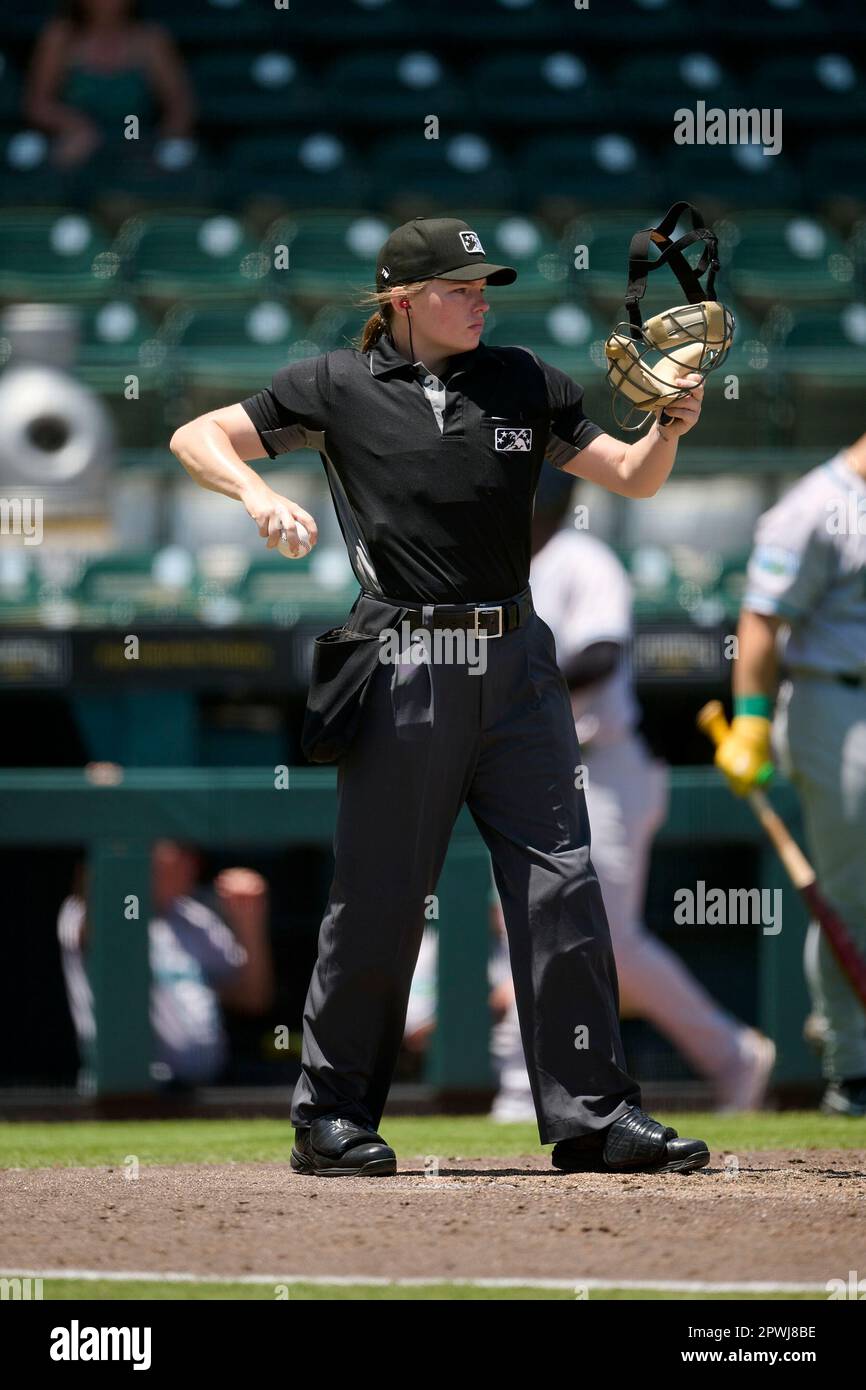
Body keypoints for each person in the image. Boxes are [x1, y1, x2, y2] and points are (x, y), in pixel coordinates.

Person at [170, 214, 711, 1176]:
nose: (478, 300)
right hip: (404, 661)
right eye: (459, 286)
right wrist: (254, 495)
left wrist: (667, 422)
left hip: (517, 665)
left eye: (484, 285)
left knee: (563, 889)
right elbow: (195, 434)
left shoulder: (525, 379)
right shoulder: (333, 383)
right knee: (380, 898)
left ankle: (591, 1114)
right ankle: (331, 1117)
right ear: (401, 299)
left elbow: (629, 478)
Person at [487, 466, 776, 1118]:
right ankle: (516, 1090)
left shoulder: (582, 559)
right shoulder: (501, 568)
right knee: (519, 925)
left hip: (605, 767)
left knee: (608, 937)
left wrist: (515, 676)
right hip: (533, 769)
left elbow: (602, 655)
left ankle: (731, 1055)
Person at [715, 434, 866, 1117]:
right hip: (835, 701)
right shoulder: (817, 505)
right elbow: (760, 619)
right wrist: (750, 719)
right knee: (849, 891)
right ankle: (851, 1065)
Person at [58, 838, 275, 1091]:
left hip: (201, 1091)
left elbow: (253, 999)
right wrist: (122, 846)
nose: (192, 862)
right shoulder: (90, 912)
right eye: (180, 850)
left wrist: (249, 921)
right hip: (122, 1091)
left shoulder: (194, 918)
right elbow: (94, 892)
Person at [24, 0, 194, 170]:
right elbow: (38, 104)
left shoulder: (152, 39)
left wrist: (159, 145)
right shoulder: (59, 37)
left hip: (135, 139)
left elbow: (180, 107)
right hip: (75, 142)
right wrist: (74, 126)